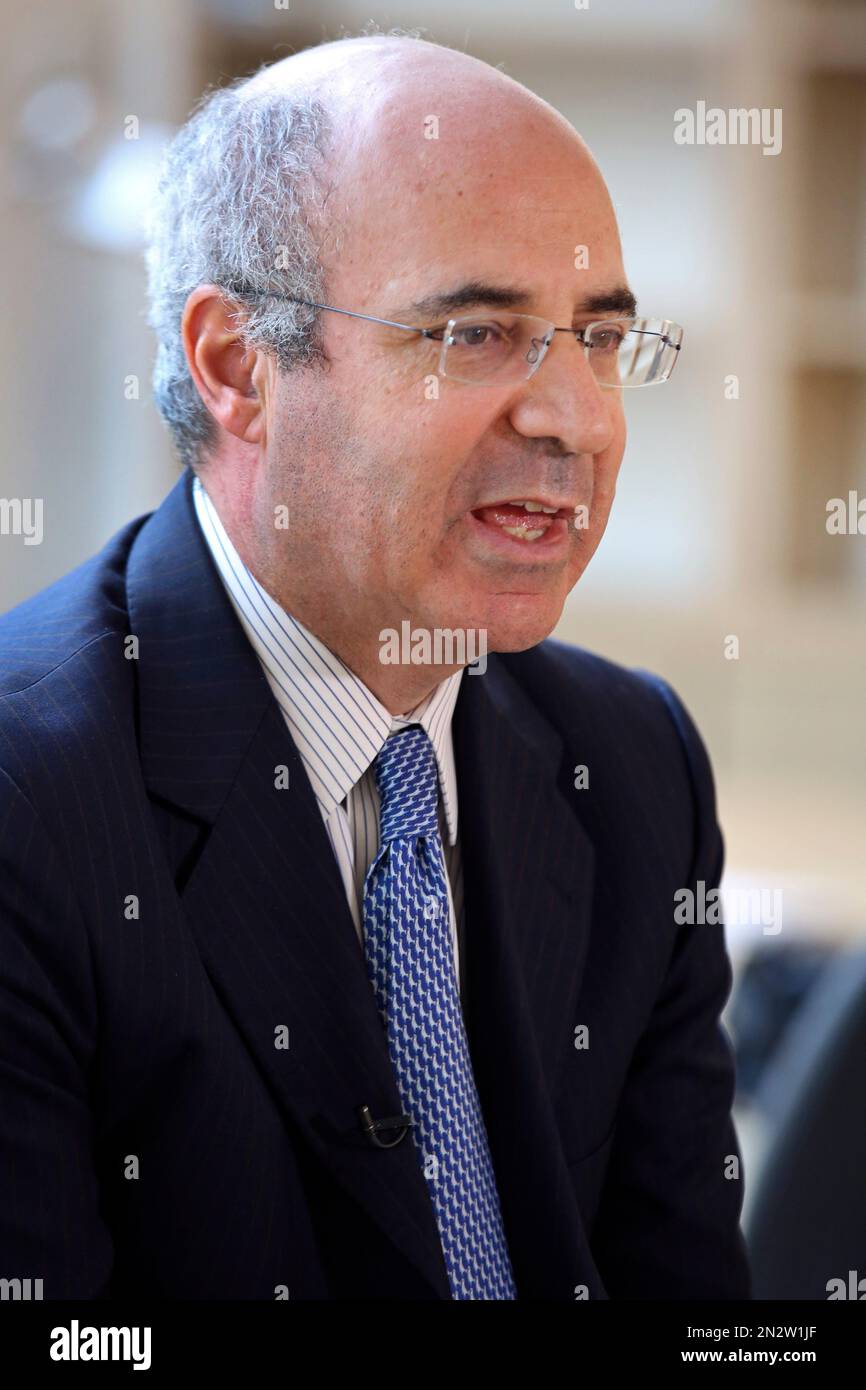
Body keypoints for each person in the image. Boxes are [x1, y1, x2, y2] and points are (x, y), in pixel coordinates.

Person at [0, 32, 750, 1300]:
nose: (573, 417)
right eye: (472, 334)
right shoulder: (32, 799)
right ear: (238, 366)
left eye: (598, 340)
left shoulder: (629, 763)